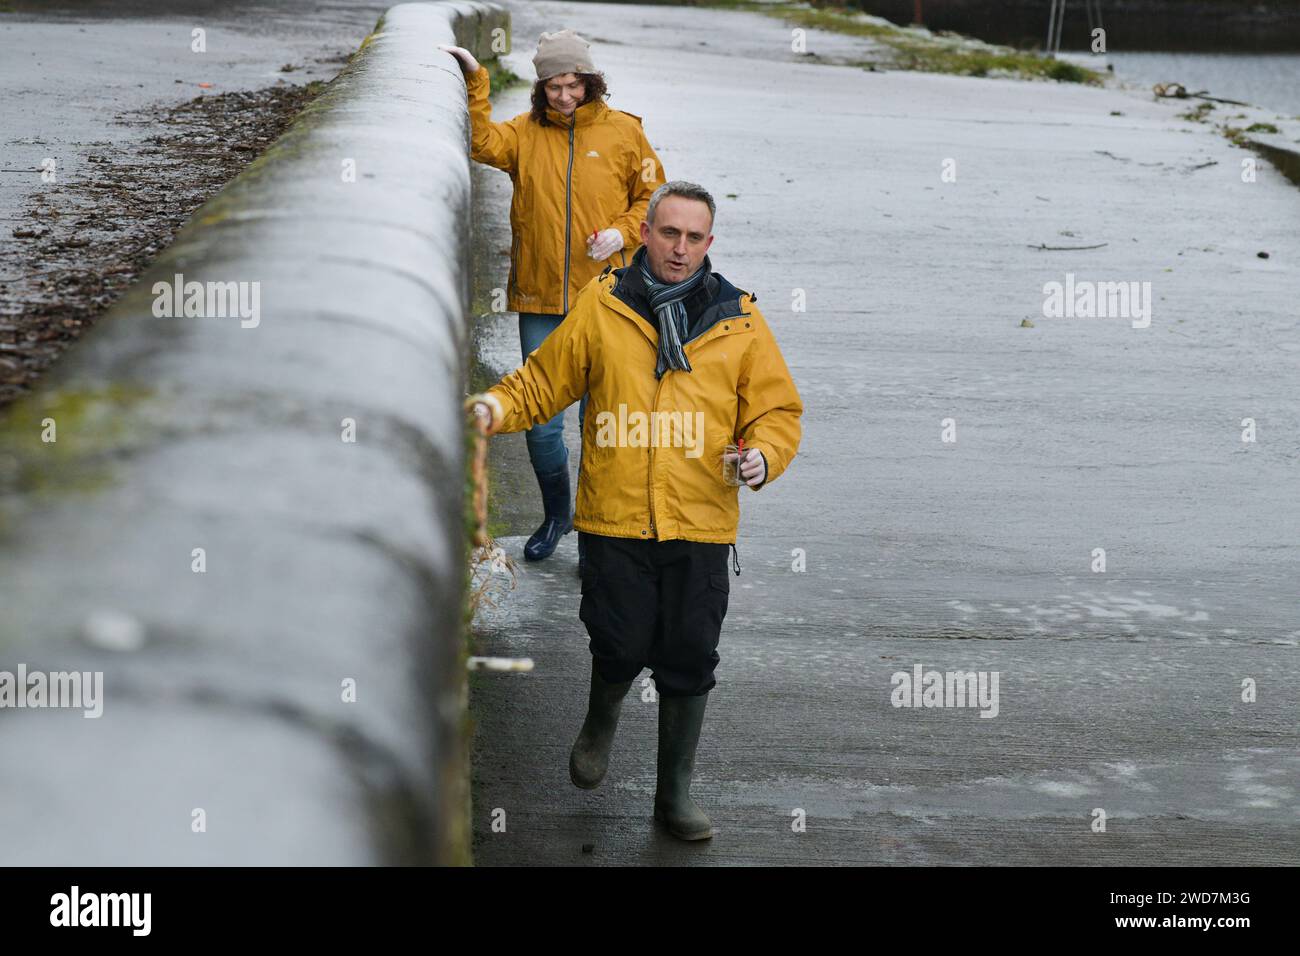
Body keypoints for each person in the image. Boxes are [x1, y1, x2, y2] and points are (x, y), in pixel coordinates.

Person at [465, 181, 803, 841]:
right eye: (668, 233)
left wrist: (764, 454)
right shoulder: (605, 303)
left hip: (701, 520)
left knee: (689, 654)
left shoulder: (740, 317)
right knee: (617, 640)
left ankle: (673, 795)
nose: (680, 249)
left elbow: (776, 410)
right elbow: (545, 380)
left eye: (693, 237)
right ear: (645, 233)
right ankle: (601, 721)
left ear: (710, 242)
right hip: (614, 516)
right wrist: (494, 408)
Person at [441, 30, 667, 568]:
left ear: (591, 82)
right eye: (553, 87)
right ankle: (556, 515)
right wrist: (476, 78)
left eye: (574, 85)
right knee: (541, 423)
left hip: (610, 301)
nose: (565, 96)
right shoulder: (524, 134)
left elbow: (656, 199)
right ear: (540, 88)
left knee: (601, 420)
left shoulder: (626, 132)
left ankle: (595, 529)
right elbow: (479, 143)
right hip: (541, 298)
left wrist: (623, 232)